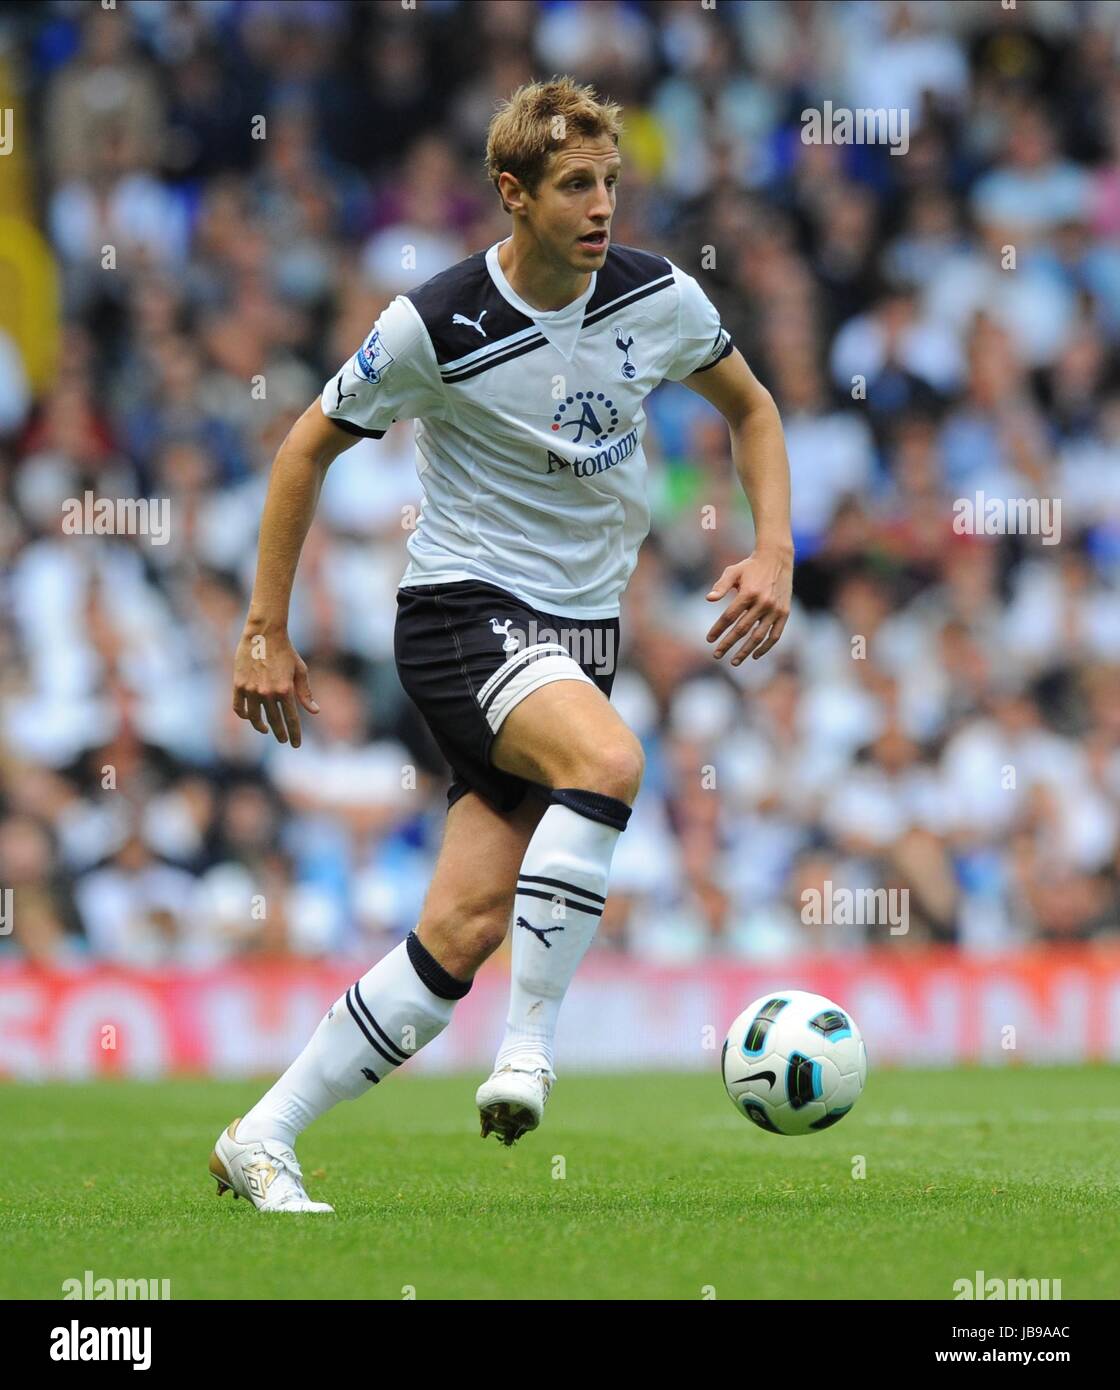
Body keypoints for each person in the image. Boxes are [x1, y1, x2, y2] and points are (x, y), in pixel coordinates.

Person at [211, 77, 793, 1212]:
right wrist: (264, 628)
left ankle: (261, 1134)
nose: (601, 206)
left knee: (461, 931)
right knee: (612, 762)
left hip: (578, 635)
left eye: (611, 183)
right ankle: (528, 1049)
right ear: (512, 194)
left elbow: (754, 409)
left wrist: (773, 552)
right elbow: (302, 450)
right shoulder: (433, 322)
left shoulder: (658, 298)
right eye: (575, 186)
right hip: (460, 615)